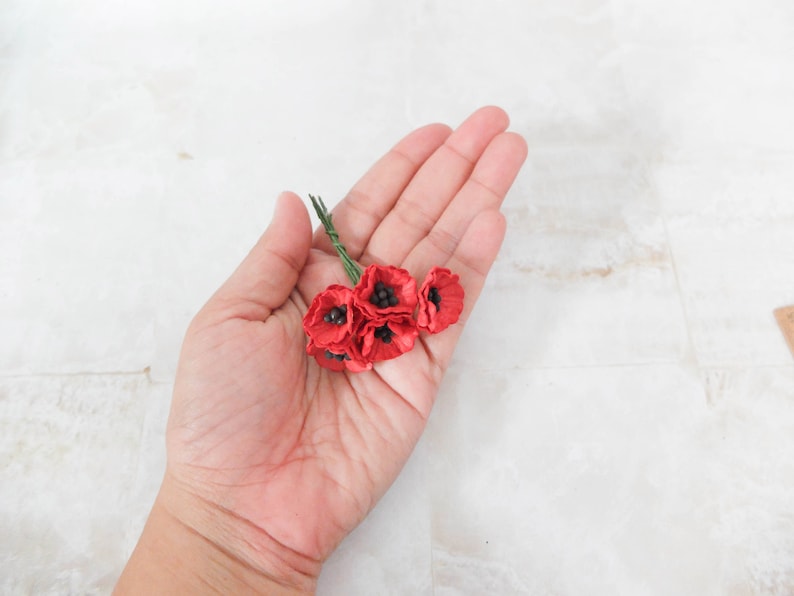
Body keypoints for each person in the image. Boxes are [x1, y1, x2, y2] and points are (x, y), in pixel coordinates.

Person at [114, 106, 527, 595]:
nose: (380, 303)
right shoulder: (343, 322)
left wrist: (214, 533)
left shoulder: (388, 312)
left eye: (382, 299)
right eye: (379, 300)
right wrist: (216, 529)